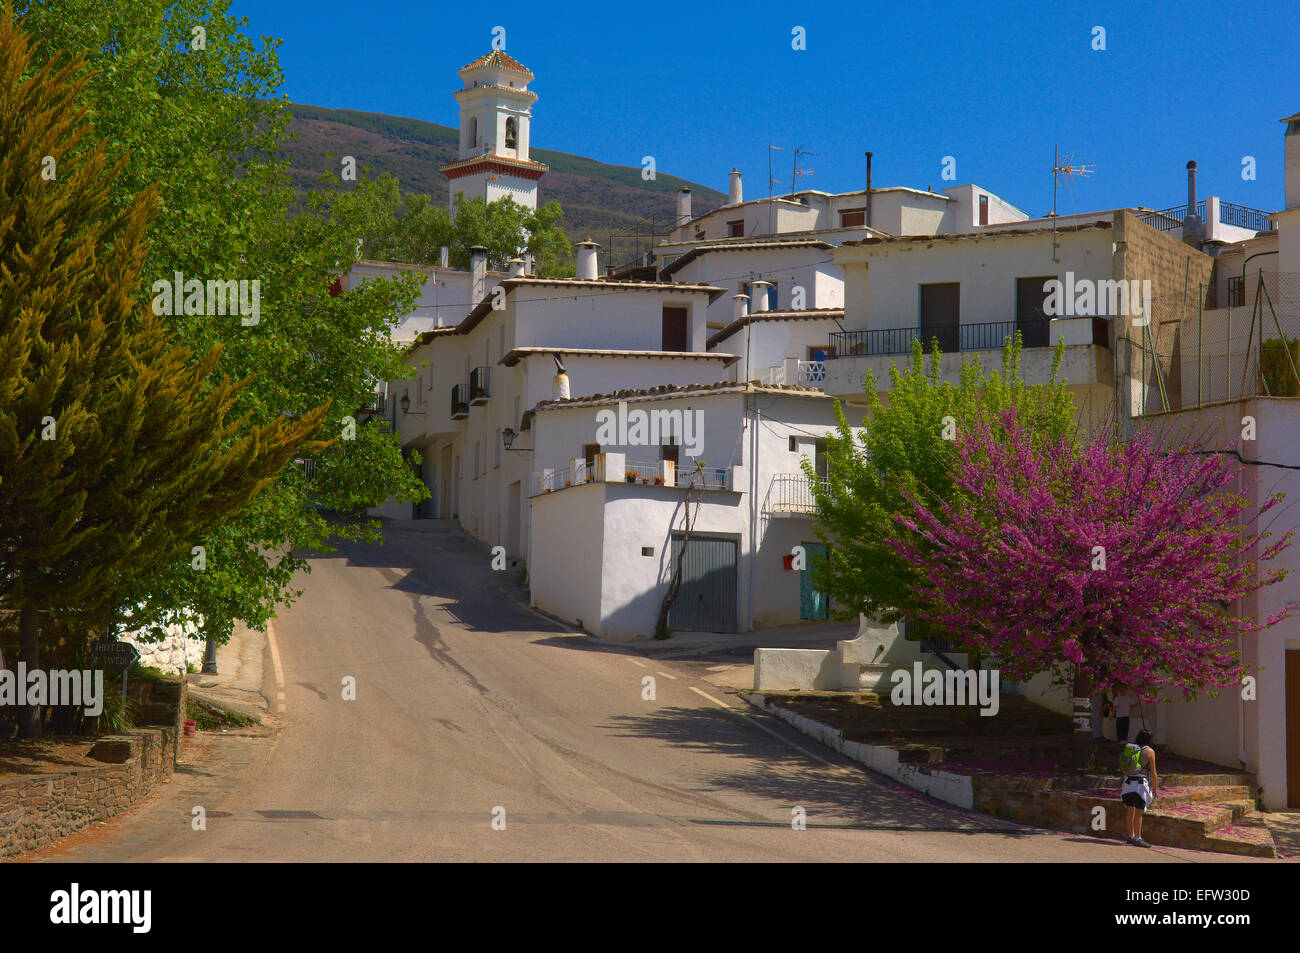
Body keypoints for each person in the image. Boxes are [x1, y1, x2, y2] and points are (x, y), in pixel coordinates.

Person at [1120, 729, 1158, 848]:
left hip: (1128, 783)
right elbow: (1153, 772)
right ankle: (1138, 838)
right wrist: (1155, 787)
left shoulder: (1131, 748)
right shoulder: (1150, 751)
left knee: (1130, 810)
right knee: (1139, 812)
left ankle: (1130, 836)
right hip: (1140, 786)